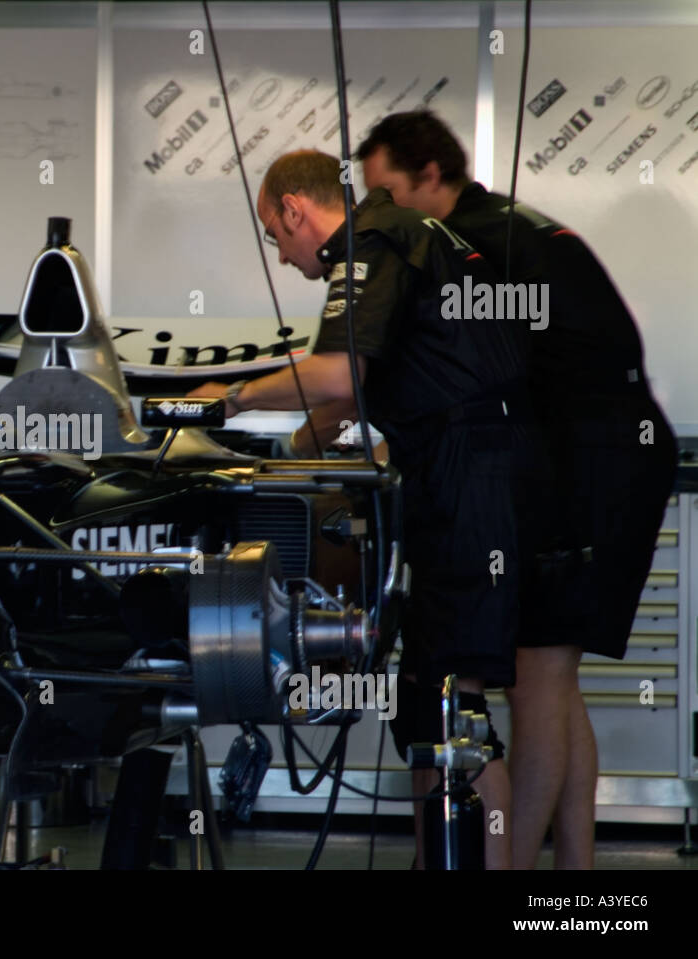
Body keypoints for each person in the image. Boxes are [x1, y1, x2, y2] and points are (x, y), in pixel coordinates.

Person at [189, 149, 533, 868]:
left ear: (293, 208)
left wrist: (228, 397)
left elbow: (337, 372)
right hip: (466, 474)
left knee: (454, 712)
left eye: (275, 236)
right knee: (432, 704)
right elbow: (349, 395)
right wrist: (283, 460)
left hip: (469, 482)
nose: (282, 257)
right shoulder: (404, 234)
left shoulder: (373, 243)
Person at [356, 111, 678, 868]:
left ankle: (514, 870)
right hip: (616, 450)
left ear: (431, 175)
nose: (379, 214)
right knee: (556, 677)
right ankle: (572, 874)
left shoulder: (469, 245)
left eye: (387, 193)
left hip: (588, 461)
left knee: (537, 670)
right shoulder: (502, 225)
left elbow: (465, 383)